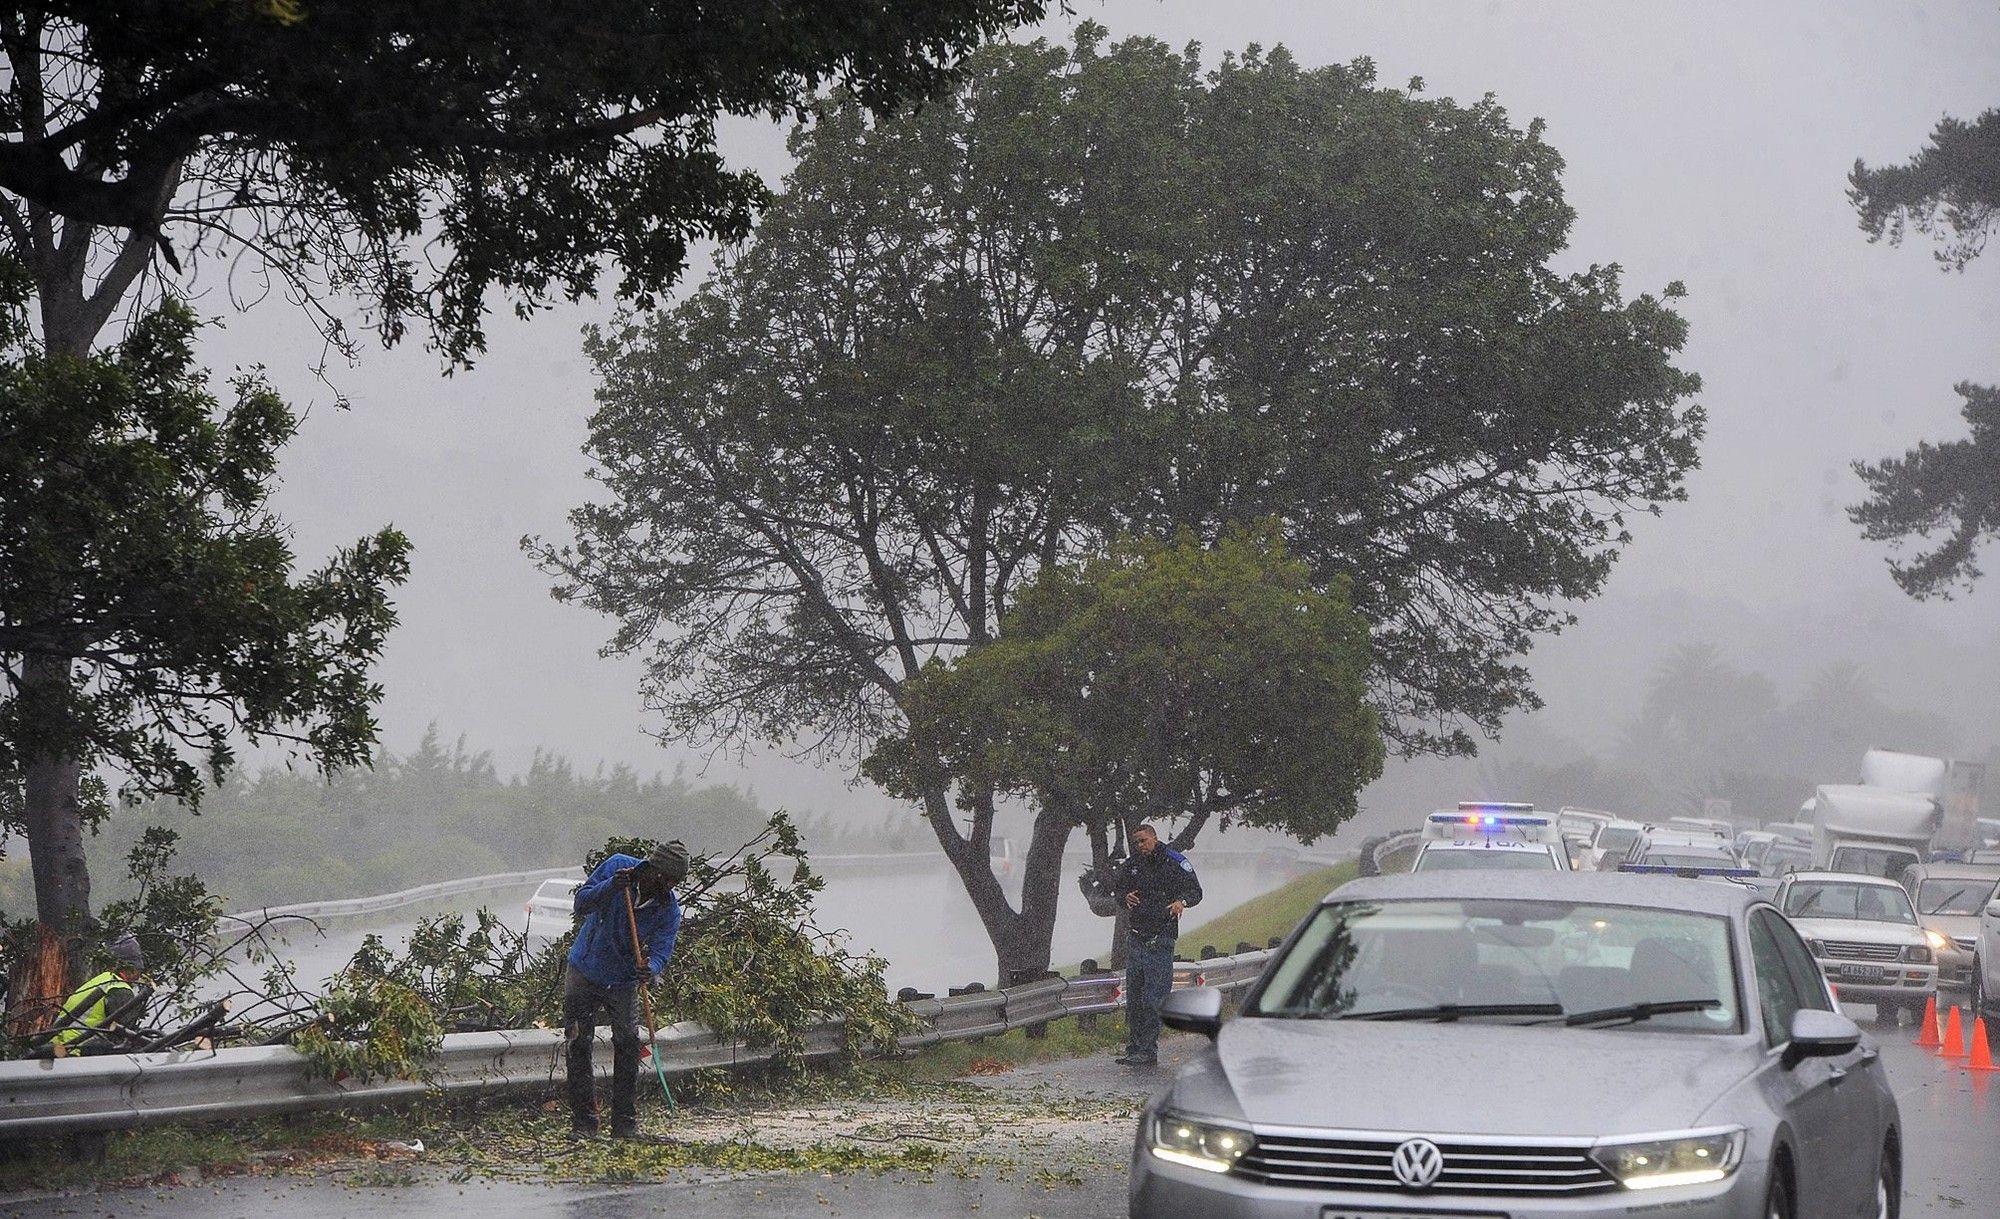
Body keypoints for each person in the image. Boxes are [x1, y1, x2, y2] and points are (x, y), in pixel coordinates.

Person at [564, 840, 687, 1138]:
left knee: (628, 1045)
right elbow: (581, 904)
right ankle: (584, 1124)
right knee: (579, 1043)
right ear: (653, 869)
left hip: (622, 981)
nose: (669, 887)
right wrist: (610, 886)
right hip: (584, 969)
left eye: (675, 882)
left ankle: (625, 1125)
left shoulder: (668, 909)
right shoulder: (618, 866)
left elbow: (661, 949)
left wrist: (652, 968)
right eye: (667, 879)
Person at [1112, 823, 1202, 1066]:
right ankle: (1135, 1047)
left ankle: (1148, 1048)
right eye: (1136, 842)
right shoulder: (1132, 865)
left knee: (1154, 996)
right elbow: (1117, 889)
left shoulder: (1174, 861)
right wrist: (1123, 897)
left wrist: (1181, 901)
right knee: (1135, 996)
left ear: (1154, 837)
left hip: (1161, 937)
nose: (1140, 846)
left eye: (1143, 841)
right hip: (1137, 937)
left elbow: (1195, 891)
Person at [51, 933, 150, 1054]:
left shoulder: (100, 981)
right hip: (79, 1053)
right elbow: (125, 1033)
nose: (139, 976)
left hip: (57, 1049)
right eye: (138, 970)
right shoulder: (119, 989)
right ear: (130, 968)